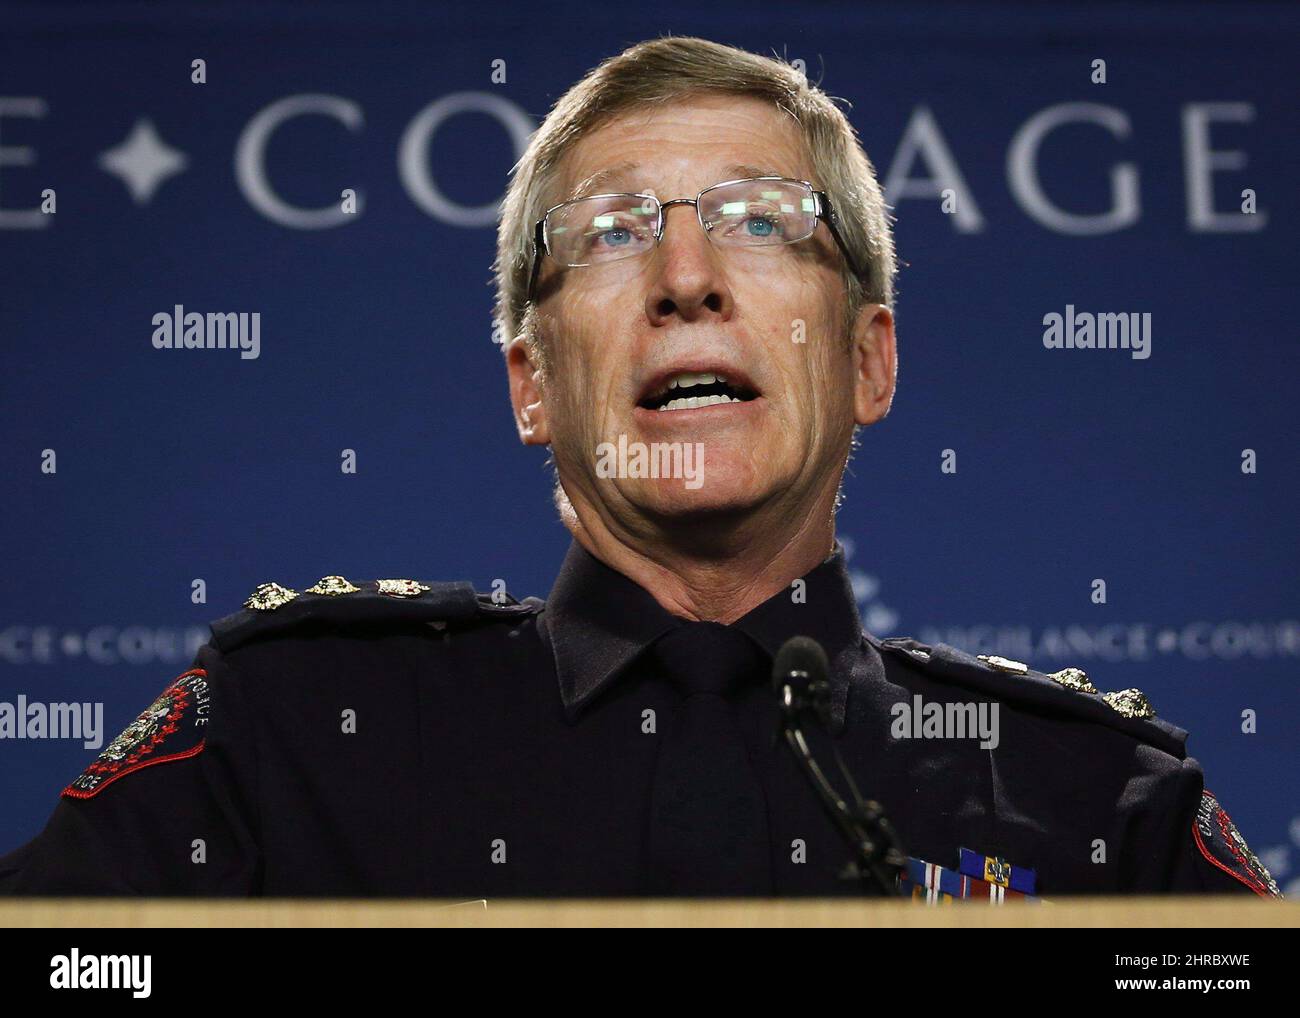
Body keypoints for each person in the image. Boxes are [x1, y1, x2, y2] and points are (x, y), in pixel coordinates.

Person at [0, 36, 1278, 899]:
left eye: (762, 223)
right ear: (532, 383)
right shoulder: (286, 735)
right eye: (611, 233)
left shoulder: (1103, 800)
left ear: (871, 359)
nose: (684, 277)